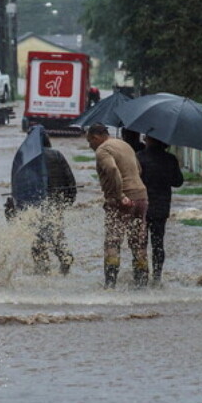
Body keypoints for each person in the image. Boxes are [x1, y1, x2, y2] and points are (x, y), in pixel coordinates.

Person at [85, 123, 149, 289]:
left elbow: (113, 169)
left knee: (112, 242)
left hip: (121, 201)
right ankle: (141, 285)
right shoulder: (124, 144)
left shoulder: (103, 150)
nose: (89, 145)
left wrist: (120, 195)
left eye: (89, 141)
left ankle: (110, 285)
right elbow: (139, 169)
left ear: (96, 137)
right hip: (141, 197)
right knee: (138, 242)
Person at [137, 136, 184, 286]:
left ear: (149, 140)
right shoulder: (170, 159)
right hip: (161, 207)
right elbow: (178, 182)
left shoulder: (139, 157)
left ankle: (141, 278)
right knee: (158, 243)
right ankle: (157, 277)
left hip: (142, 206)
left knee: (140, 243)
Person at [31, 131, 77, 275]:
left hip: (36, 203)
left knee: (37, 236)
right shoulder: (57, 155)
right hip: (56, 201)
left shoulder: (29, 159)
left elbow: (23, 184)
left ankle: (42, 270)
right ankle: (65, 259)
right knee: (55, 232)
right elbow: (69, 178)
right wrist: (70, 199)